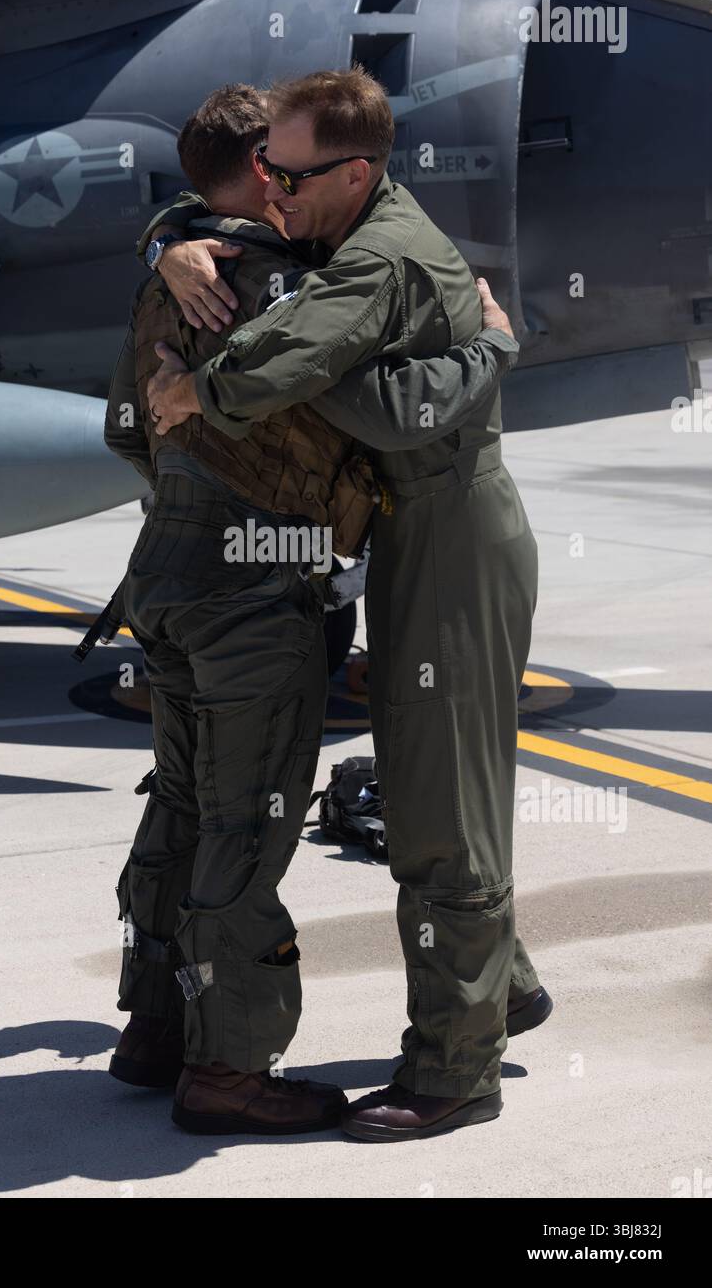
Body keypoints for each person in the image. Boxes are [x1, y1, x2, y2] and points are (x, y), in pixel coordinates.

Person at [104, 82, 520, 1137]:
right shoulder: (292, 265)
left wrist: (177, 284)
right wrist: (491, 344)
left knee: (401, 805)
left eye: (297, 178)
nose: (281, 193)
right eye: (271, 176)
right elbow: (329, 373)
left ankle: (451, 1059)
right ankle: (257, 1060)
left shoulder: (283, 268)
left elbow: (136, 426)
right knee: (282, 817)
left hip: (270, 557)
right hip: (306, 563)